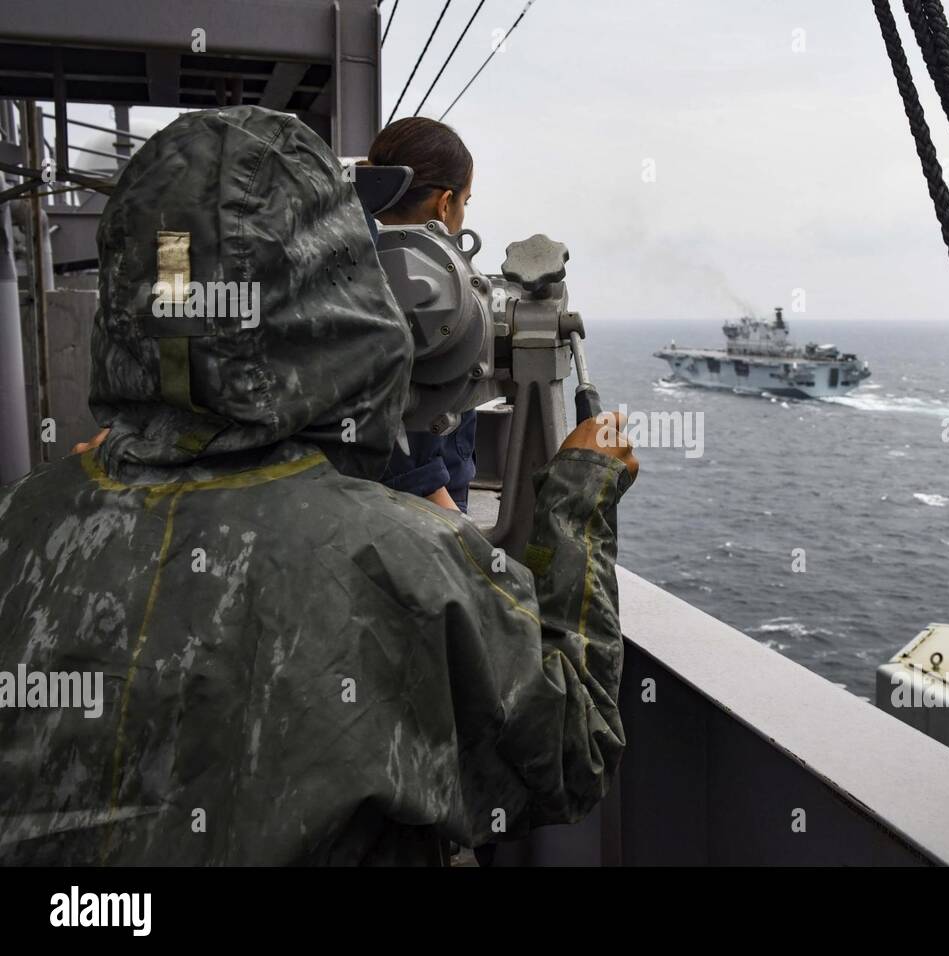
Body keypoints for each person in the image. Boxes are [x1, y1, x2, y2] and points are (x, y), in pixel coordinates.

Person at [0, 105, 636, 865]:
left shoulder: (23, 520)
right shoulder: (406, 565)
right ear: (336, 298)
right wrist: (580, 499)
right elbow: (570, 754)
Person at [369, 117, 479, 513]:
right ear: (444, 203)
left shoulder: (352, 269)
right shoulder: (422, 298)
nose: (462, 213)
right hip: (421, 527)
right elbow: (416, 469)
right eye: (466, 201)